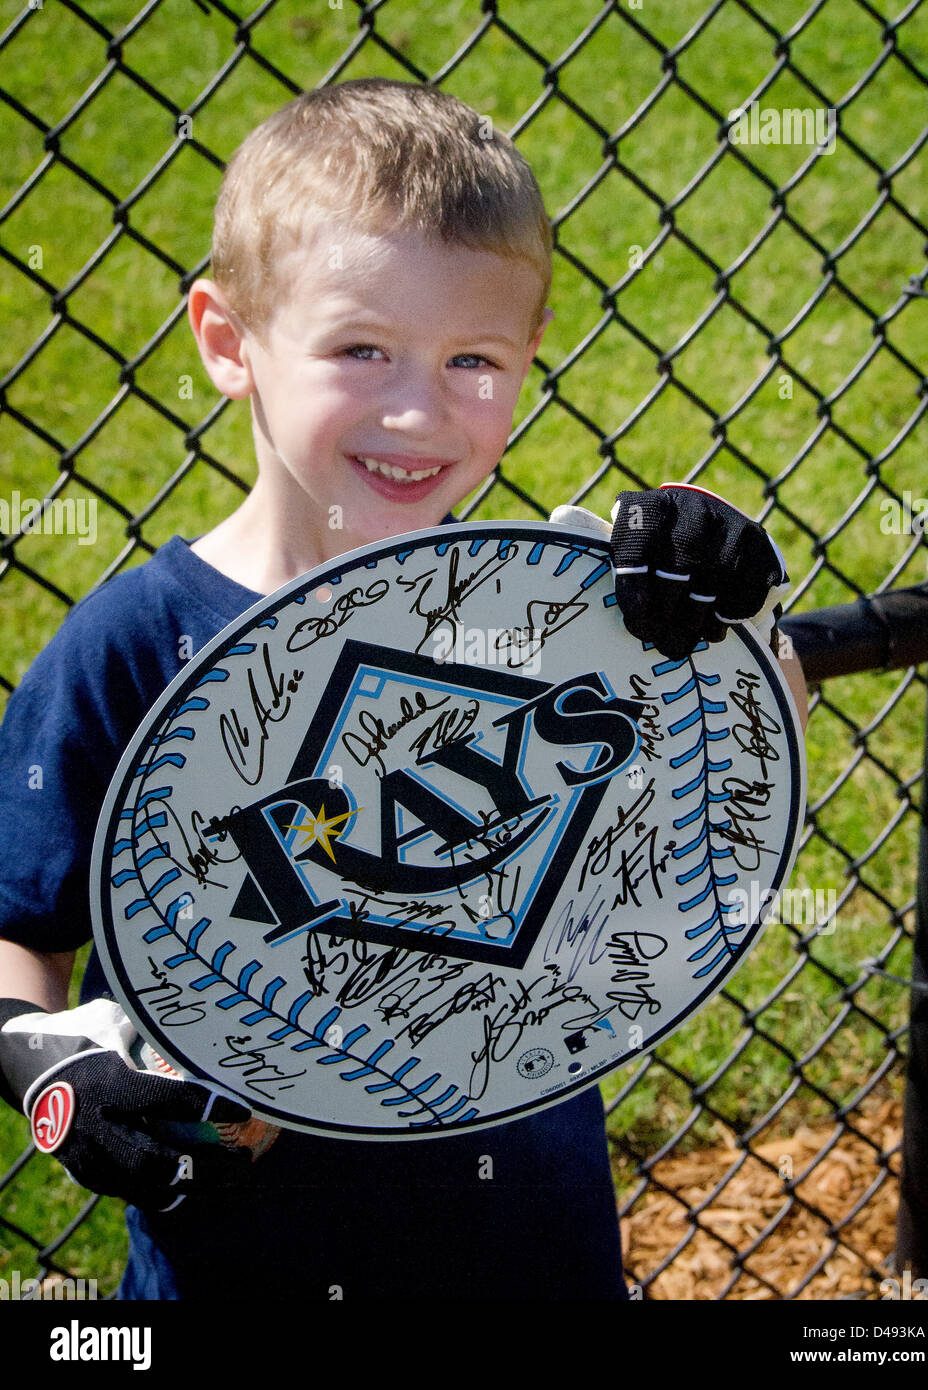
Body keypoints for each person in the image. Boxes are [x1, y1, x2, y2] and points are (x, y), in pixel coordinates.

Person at [0, 78, 806, 1300]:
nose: (419, 409)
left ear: (532, 355)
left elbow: (738, 744)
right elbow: (17, 919)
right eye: (360, 348)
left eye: (472, 359)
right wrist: (50, 1067)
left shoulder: (553, 620)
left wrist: (719, 601)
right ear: (228, 340)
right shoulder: (139, 642)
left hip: (538, 1260)